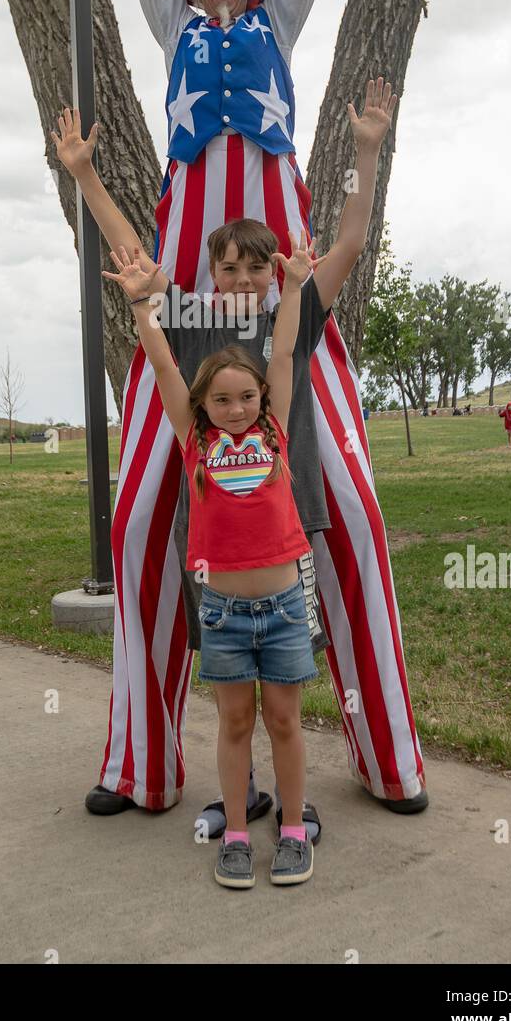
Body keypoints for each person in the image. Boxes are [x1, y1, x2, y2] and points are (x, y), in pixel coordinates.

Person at [75, 0, 426, 819]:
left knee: (352, 515)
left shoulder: (275, 19)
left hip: (273, 285)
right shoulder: (172, 23)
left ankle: (387, 756)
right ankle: (135, 762)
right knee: (139, 512)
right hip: (186, 285)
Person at [104, 231, 318, 887]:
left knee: (283, 720)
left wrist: (295, 289)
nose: (236, 408)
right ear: (202, 407)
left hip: (284, 605)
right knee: (232, 723)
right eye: (221, 400)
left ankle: (290, 829)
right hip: (224, 610)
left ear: (262, 399)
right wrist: (144, 308)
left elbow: (281, 350)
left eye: (245, 398)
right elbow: (167, 367)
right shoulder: (194, 439)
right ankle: (233, 833)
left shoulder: (275, 429)